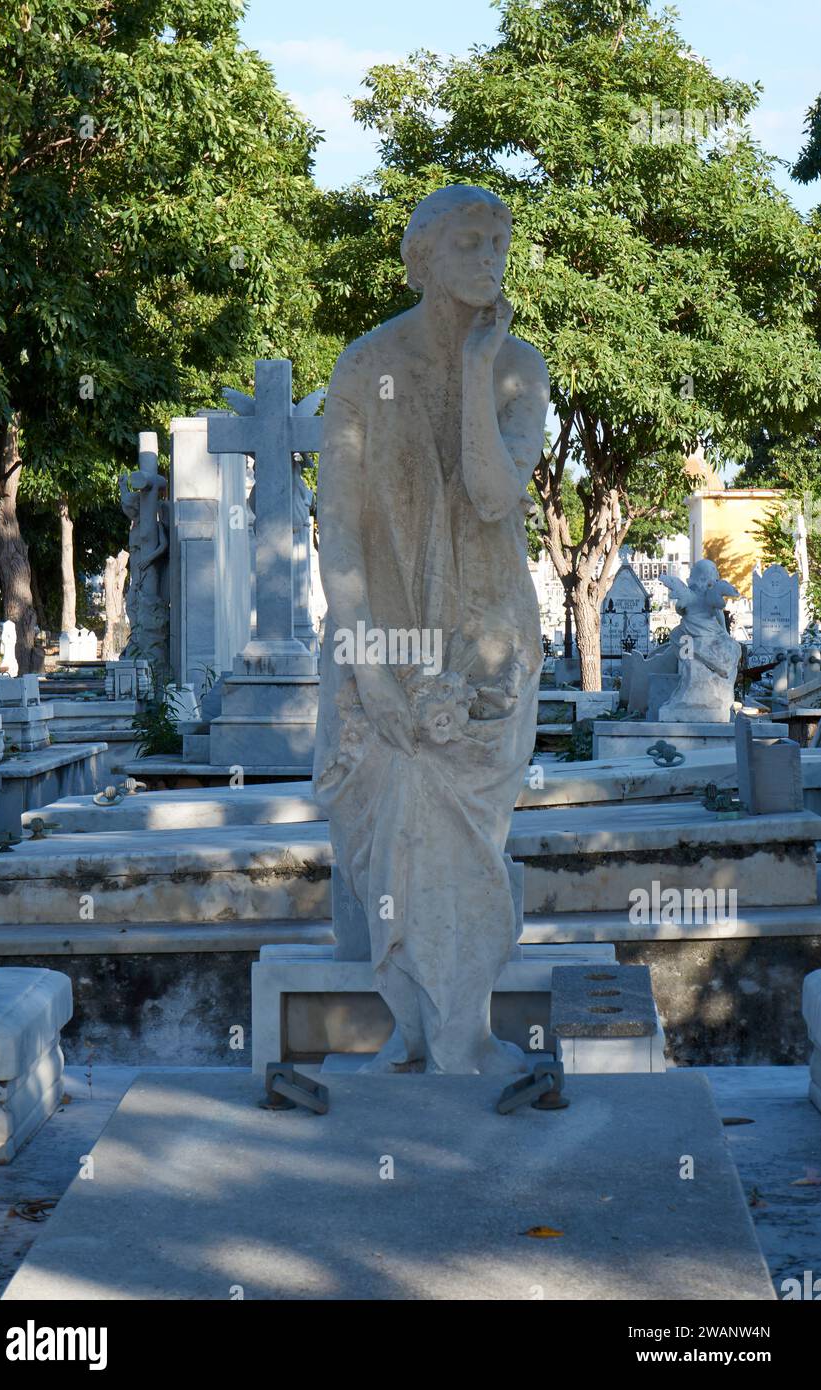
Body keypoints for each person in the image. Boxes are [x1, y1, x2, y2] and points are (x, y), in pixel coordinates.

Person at [314, 185, 550, 1074]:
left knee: (467, 848)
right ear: (420, 258)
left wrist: (478, 370)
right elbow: (338, 528)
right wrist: (369, 666)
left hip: (484, 643)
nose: (489, 258)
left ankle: (465, 1039)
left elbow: (491, 496)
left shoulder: (518, 366)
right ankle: (418, 1036)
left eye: (498, 243)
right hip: (379, 642)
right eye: (468, 243)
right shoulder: (365, 364)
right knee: (382, 852)